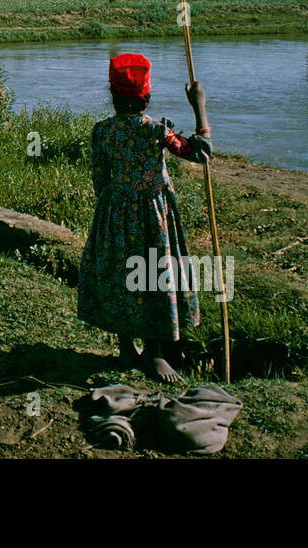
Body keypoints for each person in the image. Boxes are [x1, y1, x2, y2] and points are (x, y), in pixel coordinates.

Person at [78, 53, 211, 383]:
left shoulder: (102, 132)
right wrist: (199, 106)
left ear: (112, 96)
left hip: (114, 214)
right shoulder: (158, 133)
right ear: (147, 97)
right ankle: (153, 353)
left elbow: (99, 177)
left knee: (122, 273)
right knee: (154, 274)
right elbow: (201, 152)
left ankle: (127, 347)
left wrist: (115, 209)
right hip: (154, 216)